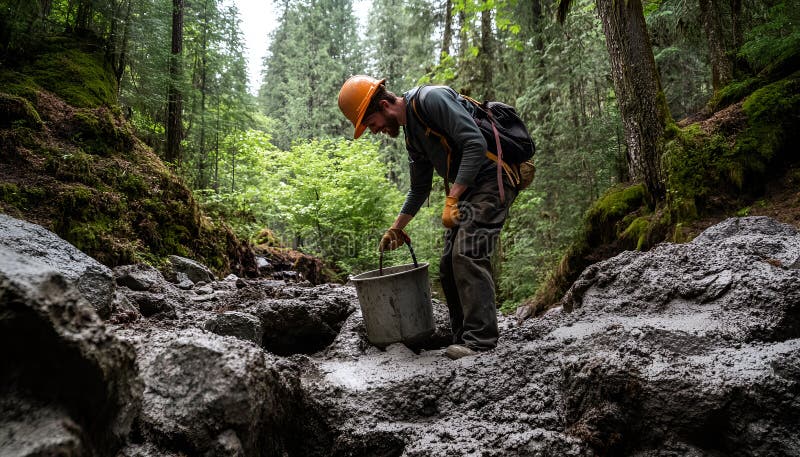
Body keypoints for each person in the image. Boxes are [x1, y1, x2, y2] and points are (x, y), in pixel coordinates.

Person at [337, 75, 519, 360]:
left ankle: (481, 342)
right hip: (468, 190)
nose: (375, 132)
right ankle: (463, 338)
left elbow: (473, 143)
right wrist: (396, 228)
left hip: (492, 179)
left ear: (384, 105)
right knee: (448, 263)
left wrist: (452, 196)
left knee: (468, 253)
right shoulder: (413, 135)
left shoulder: (431, 99)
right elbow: (419, 188)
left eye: (372, 124)